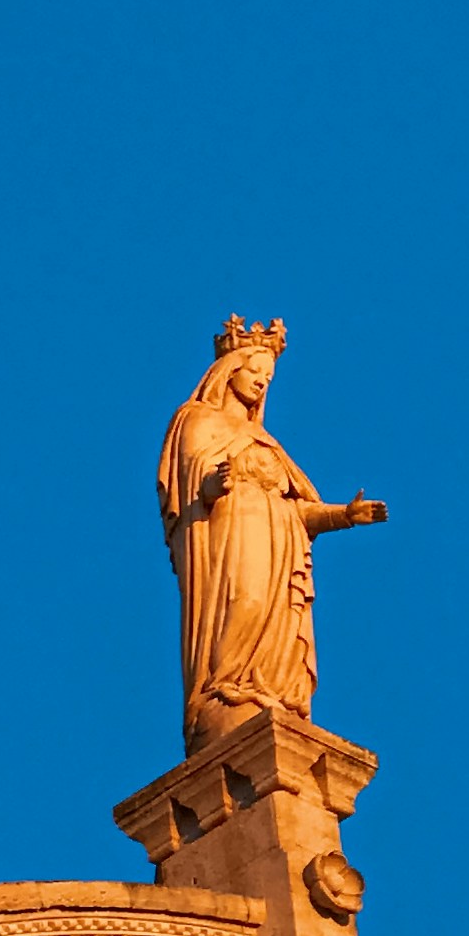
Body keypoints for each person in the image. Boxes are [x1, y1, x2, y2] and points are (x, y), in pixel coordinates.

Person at [158, 317, 385, 749]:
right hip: (230, 533)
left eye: (268, 378)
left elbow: (298, 509)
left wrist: (346, 515)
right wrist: (211, 486)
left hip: (279, 537)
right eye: (255, 372)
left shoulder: (264, 440)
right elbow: (188, 486)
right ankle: (223, 687)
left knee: (275, 617)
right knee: (246, 600)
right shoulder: (196, 420)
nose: (262, 383)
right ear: (230, 371)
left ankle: (265, 689)